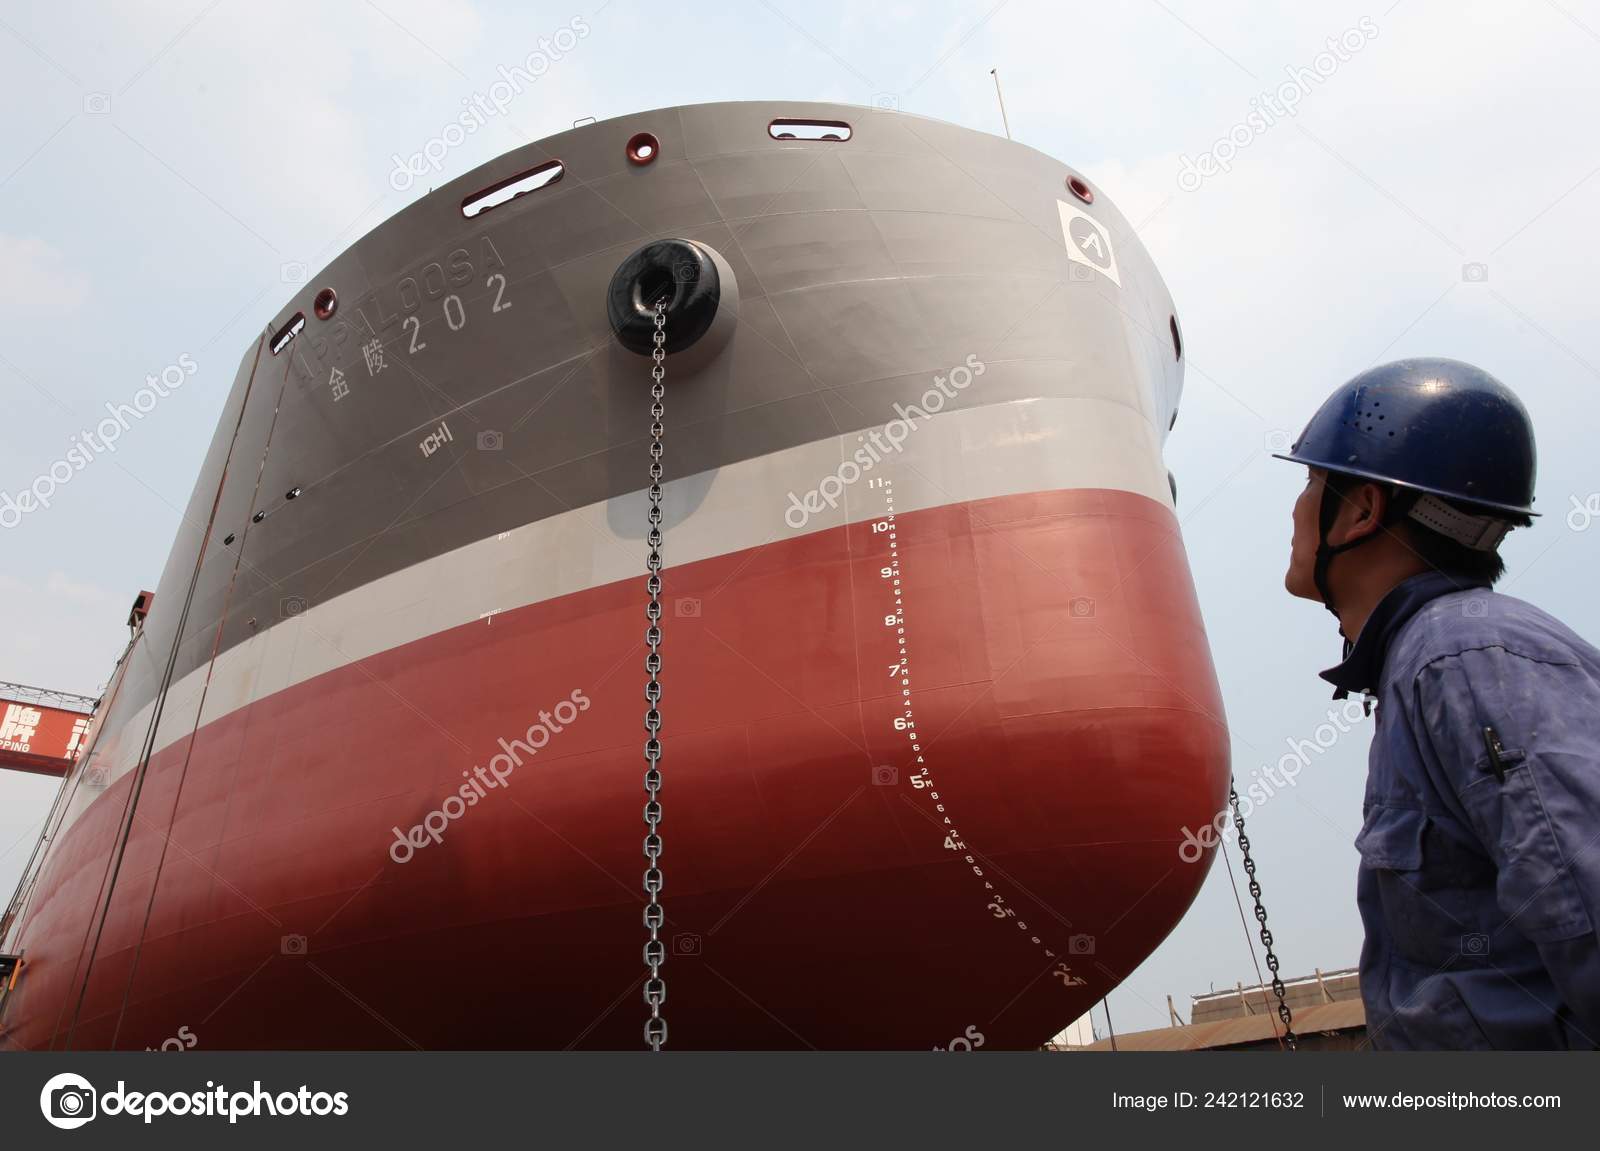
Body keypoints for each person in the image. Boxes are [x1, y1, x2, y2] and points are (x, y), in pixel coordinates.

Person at [1276, 357, 1600, 1049]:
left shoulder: (1465, 656)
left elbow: (1586, 902)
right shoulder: (1430, 663)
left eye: (1312, 481)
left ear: (1362, 510)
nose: (1297, 506)